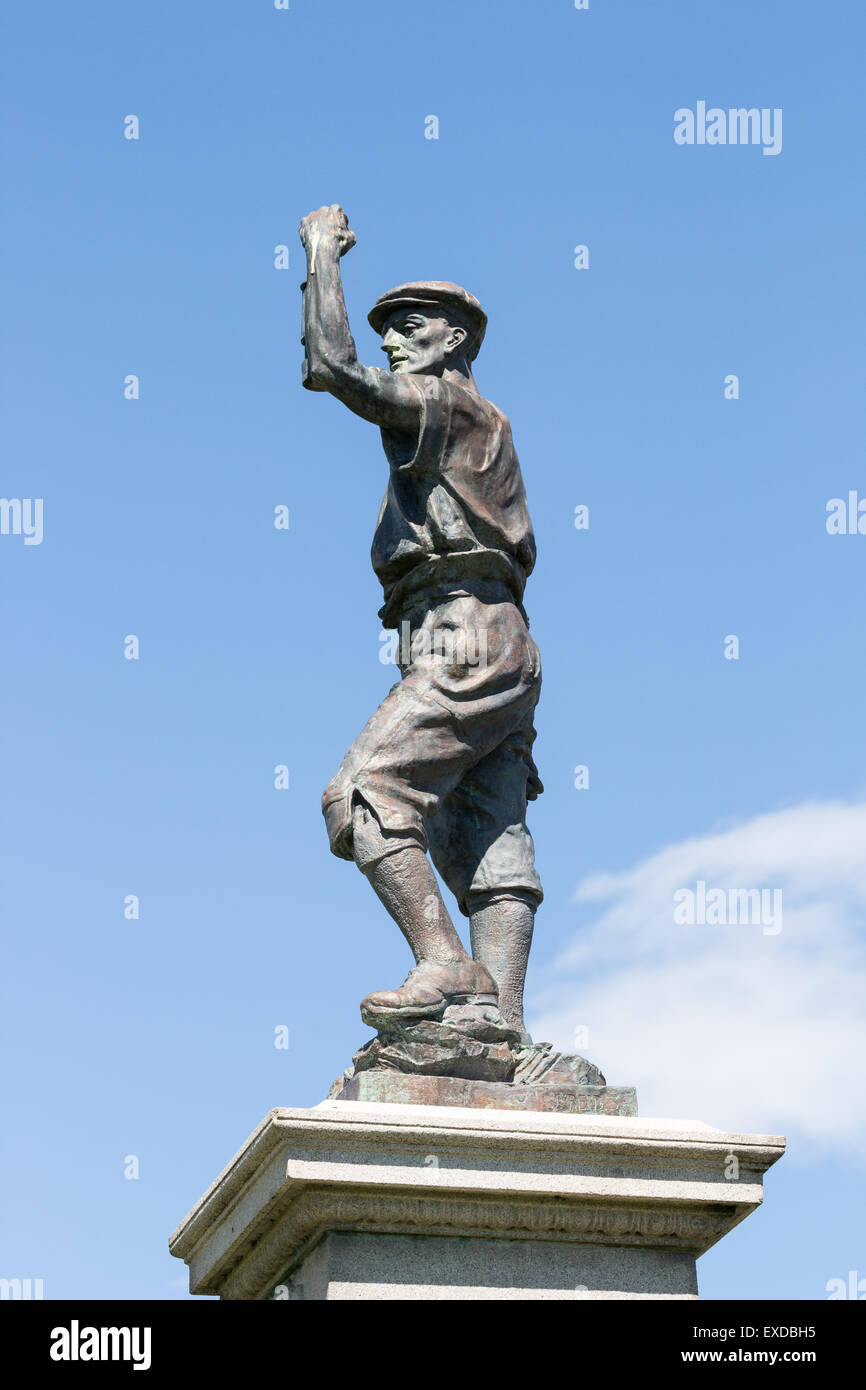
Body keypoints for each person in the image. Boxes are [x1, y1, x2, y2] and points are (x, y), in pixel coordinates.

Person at [299, 204, 543, 1040]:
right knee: (488, 832)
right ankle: (500, 1023)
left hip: (463, 631)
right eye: (389, 331)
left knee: (365, 790)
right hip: (502, 639)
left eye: (408, 328)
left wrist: (322, 258)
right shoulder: (486, 425)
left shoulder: (452, 406)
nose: (394, 343)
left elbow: (333, 366)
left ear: (453, 342)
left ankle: (443, 963)